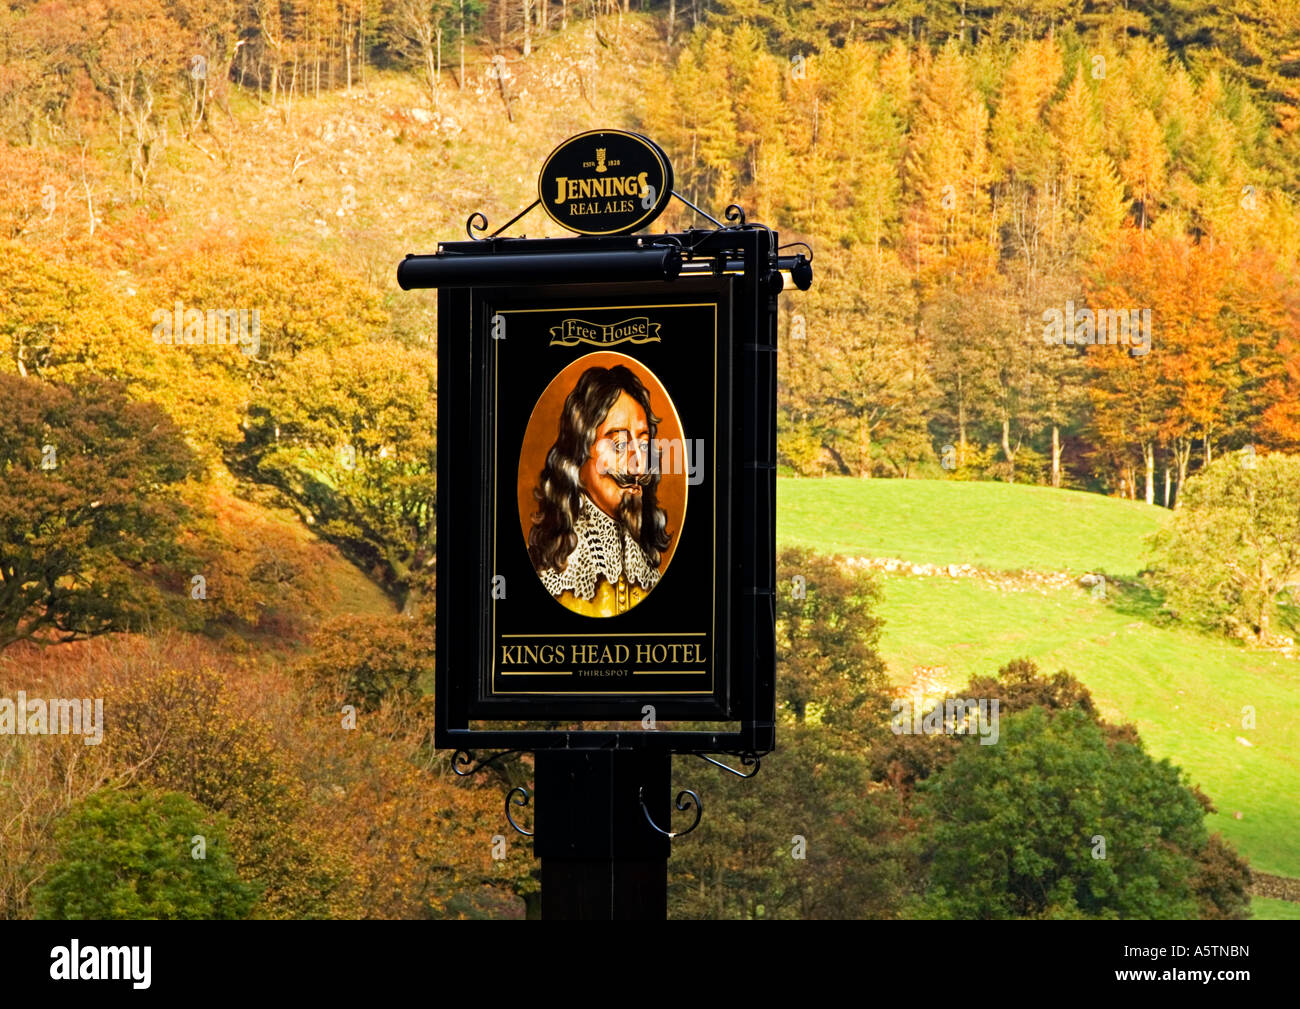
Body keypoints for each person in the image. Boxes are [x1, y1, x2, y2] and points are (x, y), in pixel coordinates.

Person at [527, 365, 672, 616]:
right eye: (619, 443)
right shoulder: (558, 572)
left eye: (643, 442)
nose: (638, 460)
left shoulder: (645, 566)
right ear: (579, 454)